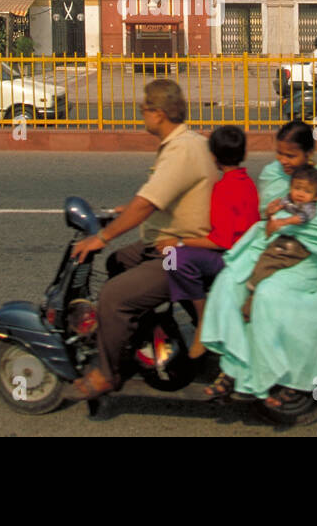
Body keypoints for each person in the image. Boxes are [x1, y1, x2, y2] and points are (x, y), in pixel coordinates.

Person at [66, 79, 217, 400]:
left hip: (180, 253)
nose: (141, 114)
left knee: (113, 297)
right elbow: (158, 194)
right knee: (118, 261)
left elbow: (147, 203)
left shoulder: (181, 150)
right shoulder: (185, 142)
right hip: (167, 242)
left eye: (144, 109)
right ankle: (143, 337)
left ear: (159, 113)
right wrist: (126, 210)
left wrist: (102, 236)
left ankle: (108, 374)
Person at [199, 119, 317, 410]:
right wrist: (273, 221)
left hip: (306, 258)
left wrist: (283, 224)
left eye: (291, 156)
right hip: (267, 248)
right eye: (279, 154)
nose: (283, 162)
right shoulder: (273, 174)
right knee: (229, 282)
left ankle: (285, 377)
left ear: (309, 153)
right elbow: (265, 217)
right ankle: (234, 366)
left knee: (269, 294)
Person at [158, 125, 259, 359]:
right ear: (243, 154)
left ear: (212, 156)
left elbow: (220, 241)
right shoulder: (248, 183)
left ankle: (202, 317)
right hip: (245, 253)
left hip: (230, 257)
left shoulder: (224, 188)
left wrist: (180, 242)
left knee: (173, 260)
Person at [241, 164, 317, 321]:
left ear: (316, 196)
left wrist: (284, 221)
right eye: (297, 188)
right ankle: (253, 290)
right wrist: (271, 211)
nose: (300, 194)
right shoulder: (288, 200)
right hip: (282, 238)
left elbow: (302, 218)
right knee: (266, 257)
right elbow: (276, 208)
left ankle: (253, 293)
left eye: (307, 191)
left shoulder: (309, 207)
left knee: (273, 261)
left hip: (297, 244)